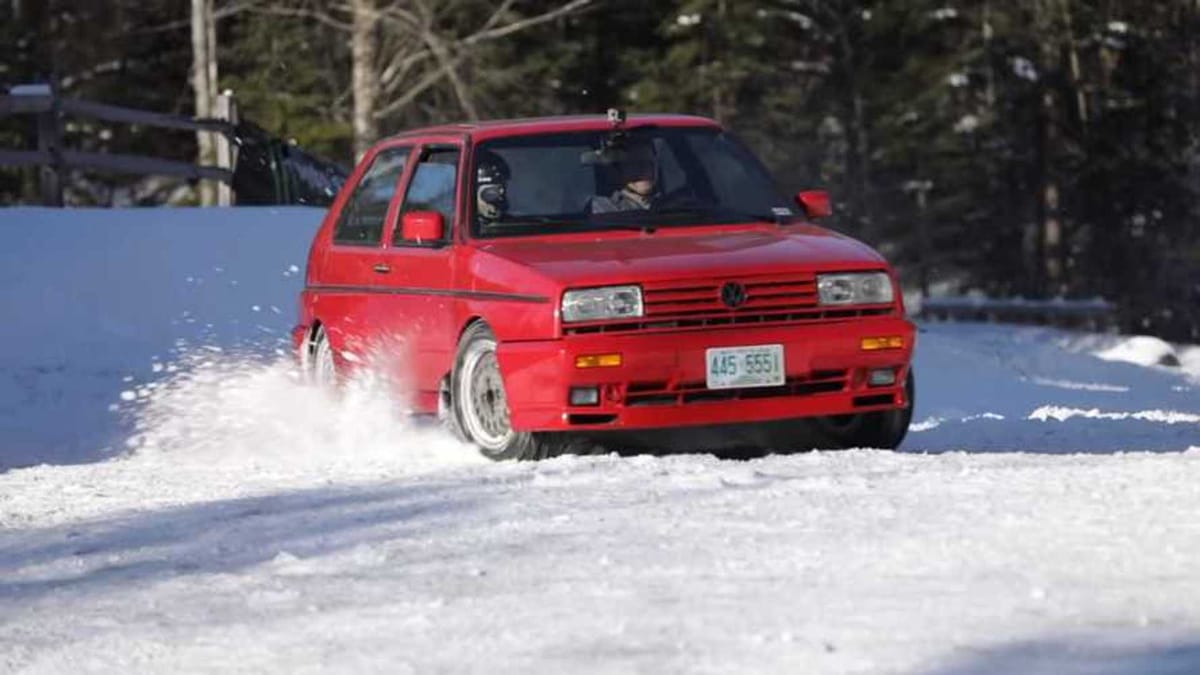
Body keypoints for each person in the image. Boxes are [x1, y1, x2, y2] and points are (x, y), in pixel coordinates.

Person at [590, 138, 657, 213]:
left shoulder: (666, 204)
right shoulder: (604, 207)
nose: (643, 170)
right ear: (618, 170)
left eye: (648, 163)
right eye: (633, 164)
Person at [475, 150, 510, 222]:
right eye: (491, 192)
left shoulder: (517, 223)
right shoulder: (460, 222)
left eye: (502, 187)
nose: (500, 195)